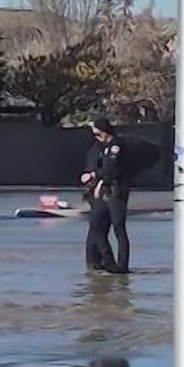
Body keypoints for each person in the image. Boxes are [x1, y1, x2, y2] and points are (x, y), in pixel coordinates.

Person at [80, 117, 131, 274]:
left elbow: (112, 169)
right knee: (96, 226)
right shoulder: (97, 148)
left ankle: (122, 266)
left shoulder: (117, 146)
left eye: (98, 133)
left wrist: (95, 176)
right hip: (100, 192)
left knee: (118, 228)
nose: (96, 136)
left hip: (115, 191)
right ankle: (106, 260)